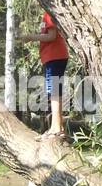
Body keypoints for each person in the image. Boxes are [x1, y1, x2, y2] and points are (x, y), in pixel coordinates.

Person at [21, 11, 69, 140]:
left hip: (55, 56)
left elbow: (52, 36)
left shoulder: (49, 13)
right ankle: (56, 127)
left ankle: (57, 128)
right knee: (53, 92)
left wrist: (31, 37)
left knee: (54, 92)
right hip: (52, 57)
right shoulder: (46, 13)